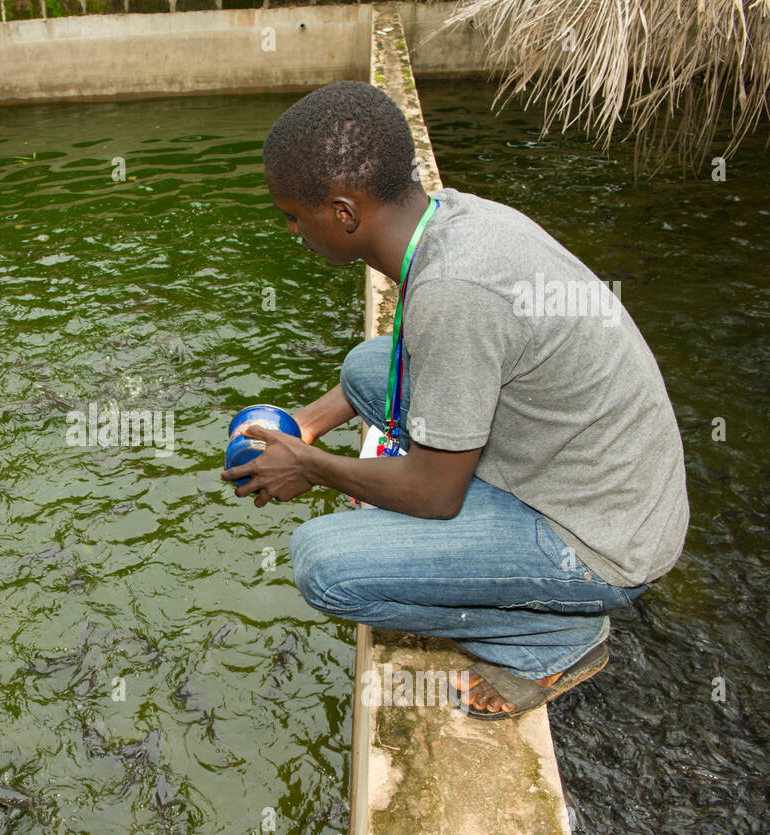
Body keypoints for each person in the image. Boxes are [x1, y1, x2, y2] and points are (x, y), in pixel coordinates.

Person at [220, 81, 689, 719]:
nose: (293, 231)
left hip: (600, 543)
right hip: (594, 473)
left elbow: (435, 496)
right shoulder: (452, 218)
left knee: (322, 564)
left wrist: (311, 469)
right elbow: (422, 360)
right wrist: (305, 427)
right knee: (366, 368)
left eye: (294, 216)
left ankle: (551, 638)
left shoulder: (453, 292)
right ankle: (537, 602)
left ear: (343, 212)